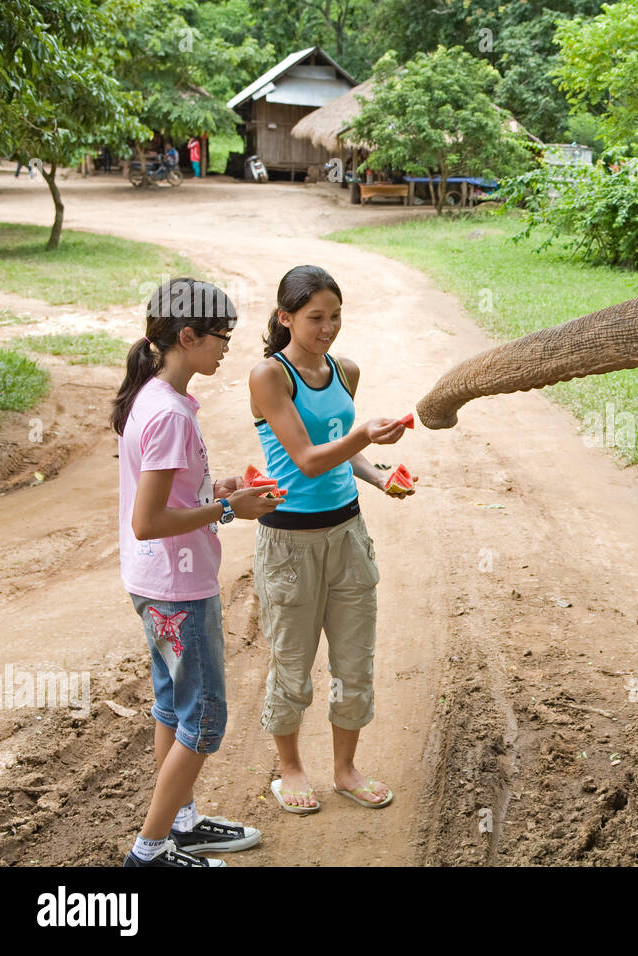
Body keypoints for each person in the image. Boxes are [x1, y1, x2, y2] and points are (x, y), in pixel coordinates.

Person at [113, 277, 284, 867]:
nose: (228, 347)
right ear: (187, 336)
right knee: (205, 718)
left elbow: (169, 493)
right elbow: (150, 519)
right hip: (178, 591)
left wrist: (219, 490)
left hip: (154, 585)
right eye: (220, 336)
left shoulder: (156, 398)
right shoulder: (169, 415)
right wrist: (232, 509)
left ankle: (179, 825)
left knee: (173, 706)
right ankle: (149, 851)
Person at [248, 264, 409, 814]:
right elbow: (308, 461)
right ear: (285, 318)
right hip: (289, 545)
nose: (328, 328)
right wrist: (364, 433)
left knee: (354, 663)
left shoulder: (346, 370)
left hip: (347, 534)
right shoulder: (269, 376)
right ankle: (290, 769)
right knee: (292, 665)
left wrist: (378, 473)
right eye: (315, 318)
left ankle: (345, 770)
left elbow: (340, 445)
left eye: (336, 316)